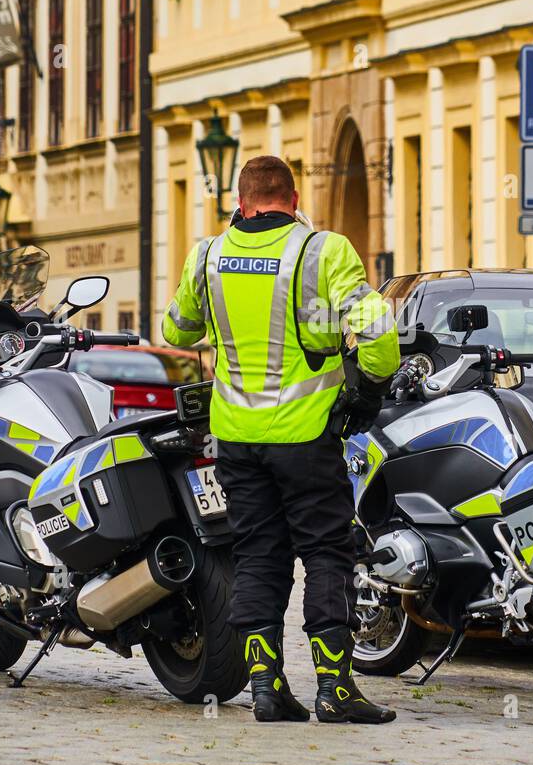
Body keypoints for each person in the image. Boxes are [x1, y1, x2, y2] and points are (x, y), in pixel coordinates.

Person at [162, 155, 401, 725]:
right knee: (326, 553)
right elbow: (379, 331)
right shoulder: (323, 251)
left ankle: (266, 688)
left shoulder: (208, 255)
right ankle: (335, 690)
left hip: (235, 438)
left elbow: (175, 330)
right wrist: (366, 391)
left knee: (256, 556)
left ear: (240, 204)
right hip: (308, 435)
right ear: (293, 199)